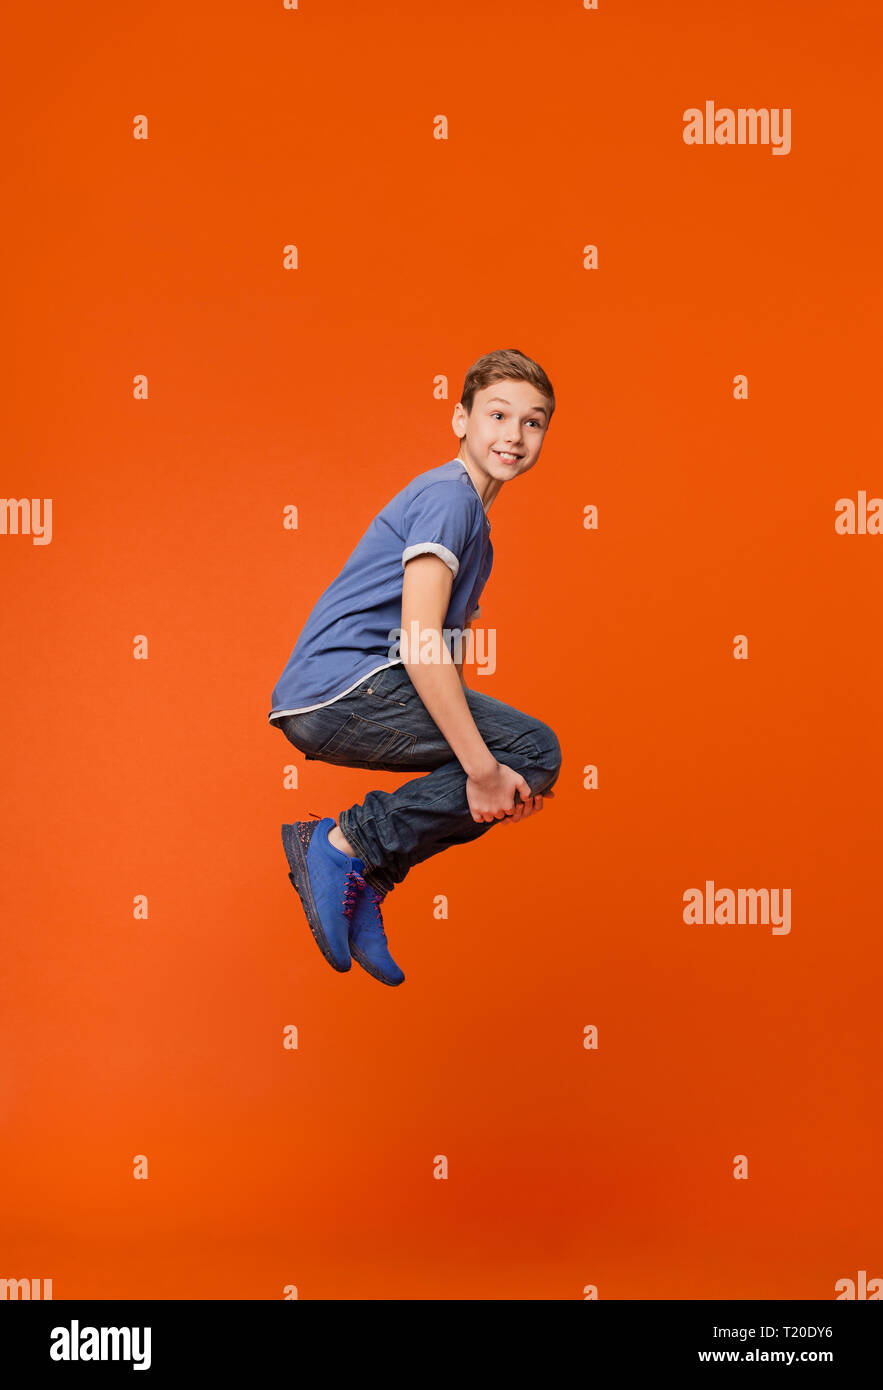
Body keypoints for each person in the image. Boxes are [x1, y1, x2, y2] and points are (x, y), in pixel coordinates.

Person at [268, 348, 562, 987]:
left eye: (533, 422)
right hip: (343, 690)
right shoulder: (448, 498)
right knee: (533, 749)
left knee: (524, 761)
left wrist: (500, 780)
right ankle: (345, 846)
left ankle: (366, 874)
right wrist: (490, 767)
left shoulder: (474, 526)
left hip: (345, 699)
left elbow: (444, 665)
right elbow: (421, 641)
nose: (513, 435)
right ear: (460, 418)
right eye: (497, 414)